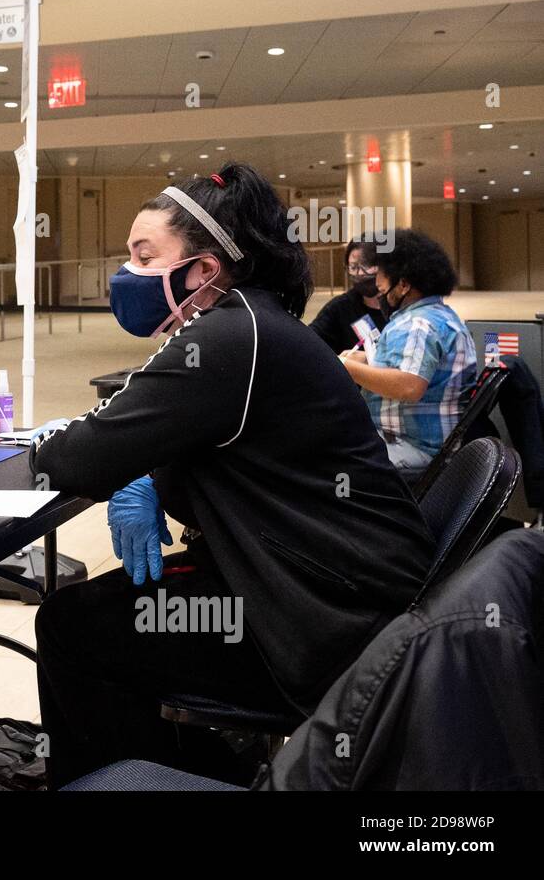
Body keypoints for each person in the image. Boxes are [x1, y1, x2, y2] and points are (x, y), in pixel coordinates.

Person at [28, 164, 433, 789]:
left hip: (319, 621)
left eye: (144, 256)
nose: (126, 274)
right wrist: (148, 470)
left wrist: (67, 445)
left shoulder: (229, 336)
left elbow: (74, 459)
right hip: (342, 592)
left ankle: (130, 778)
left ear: (205, 270)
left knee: (72, 626)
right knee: (105, 615)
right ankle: (188, 771)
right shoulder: (255, 322)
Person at [338, 230, 476, 479]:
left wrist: (347, 366)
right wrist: (370, 359)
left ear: (403, 284)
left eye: (381, 274)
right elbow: (416, 364)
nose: (377, 284)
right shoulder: (438, 316)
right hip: (420, 443)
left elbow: (409, 386)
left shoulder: (418, 324)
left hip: (414, 448)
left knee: (328, 466)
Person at [307, 239, 387, 353]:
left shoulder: (401, 306)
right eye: (353, 267)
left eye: (366, 265)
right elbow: (309, 343)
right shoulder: (339, 308)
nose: (360, 273)